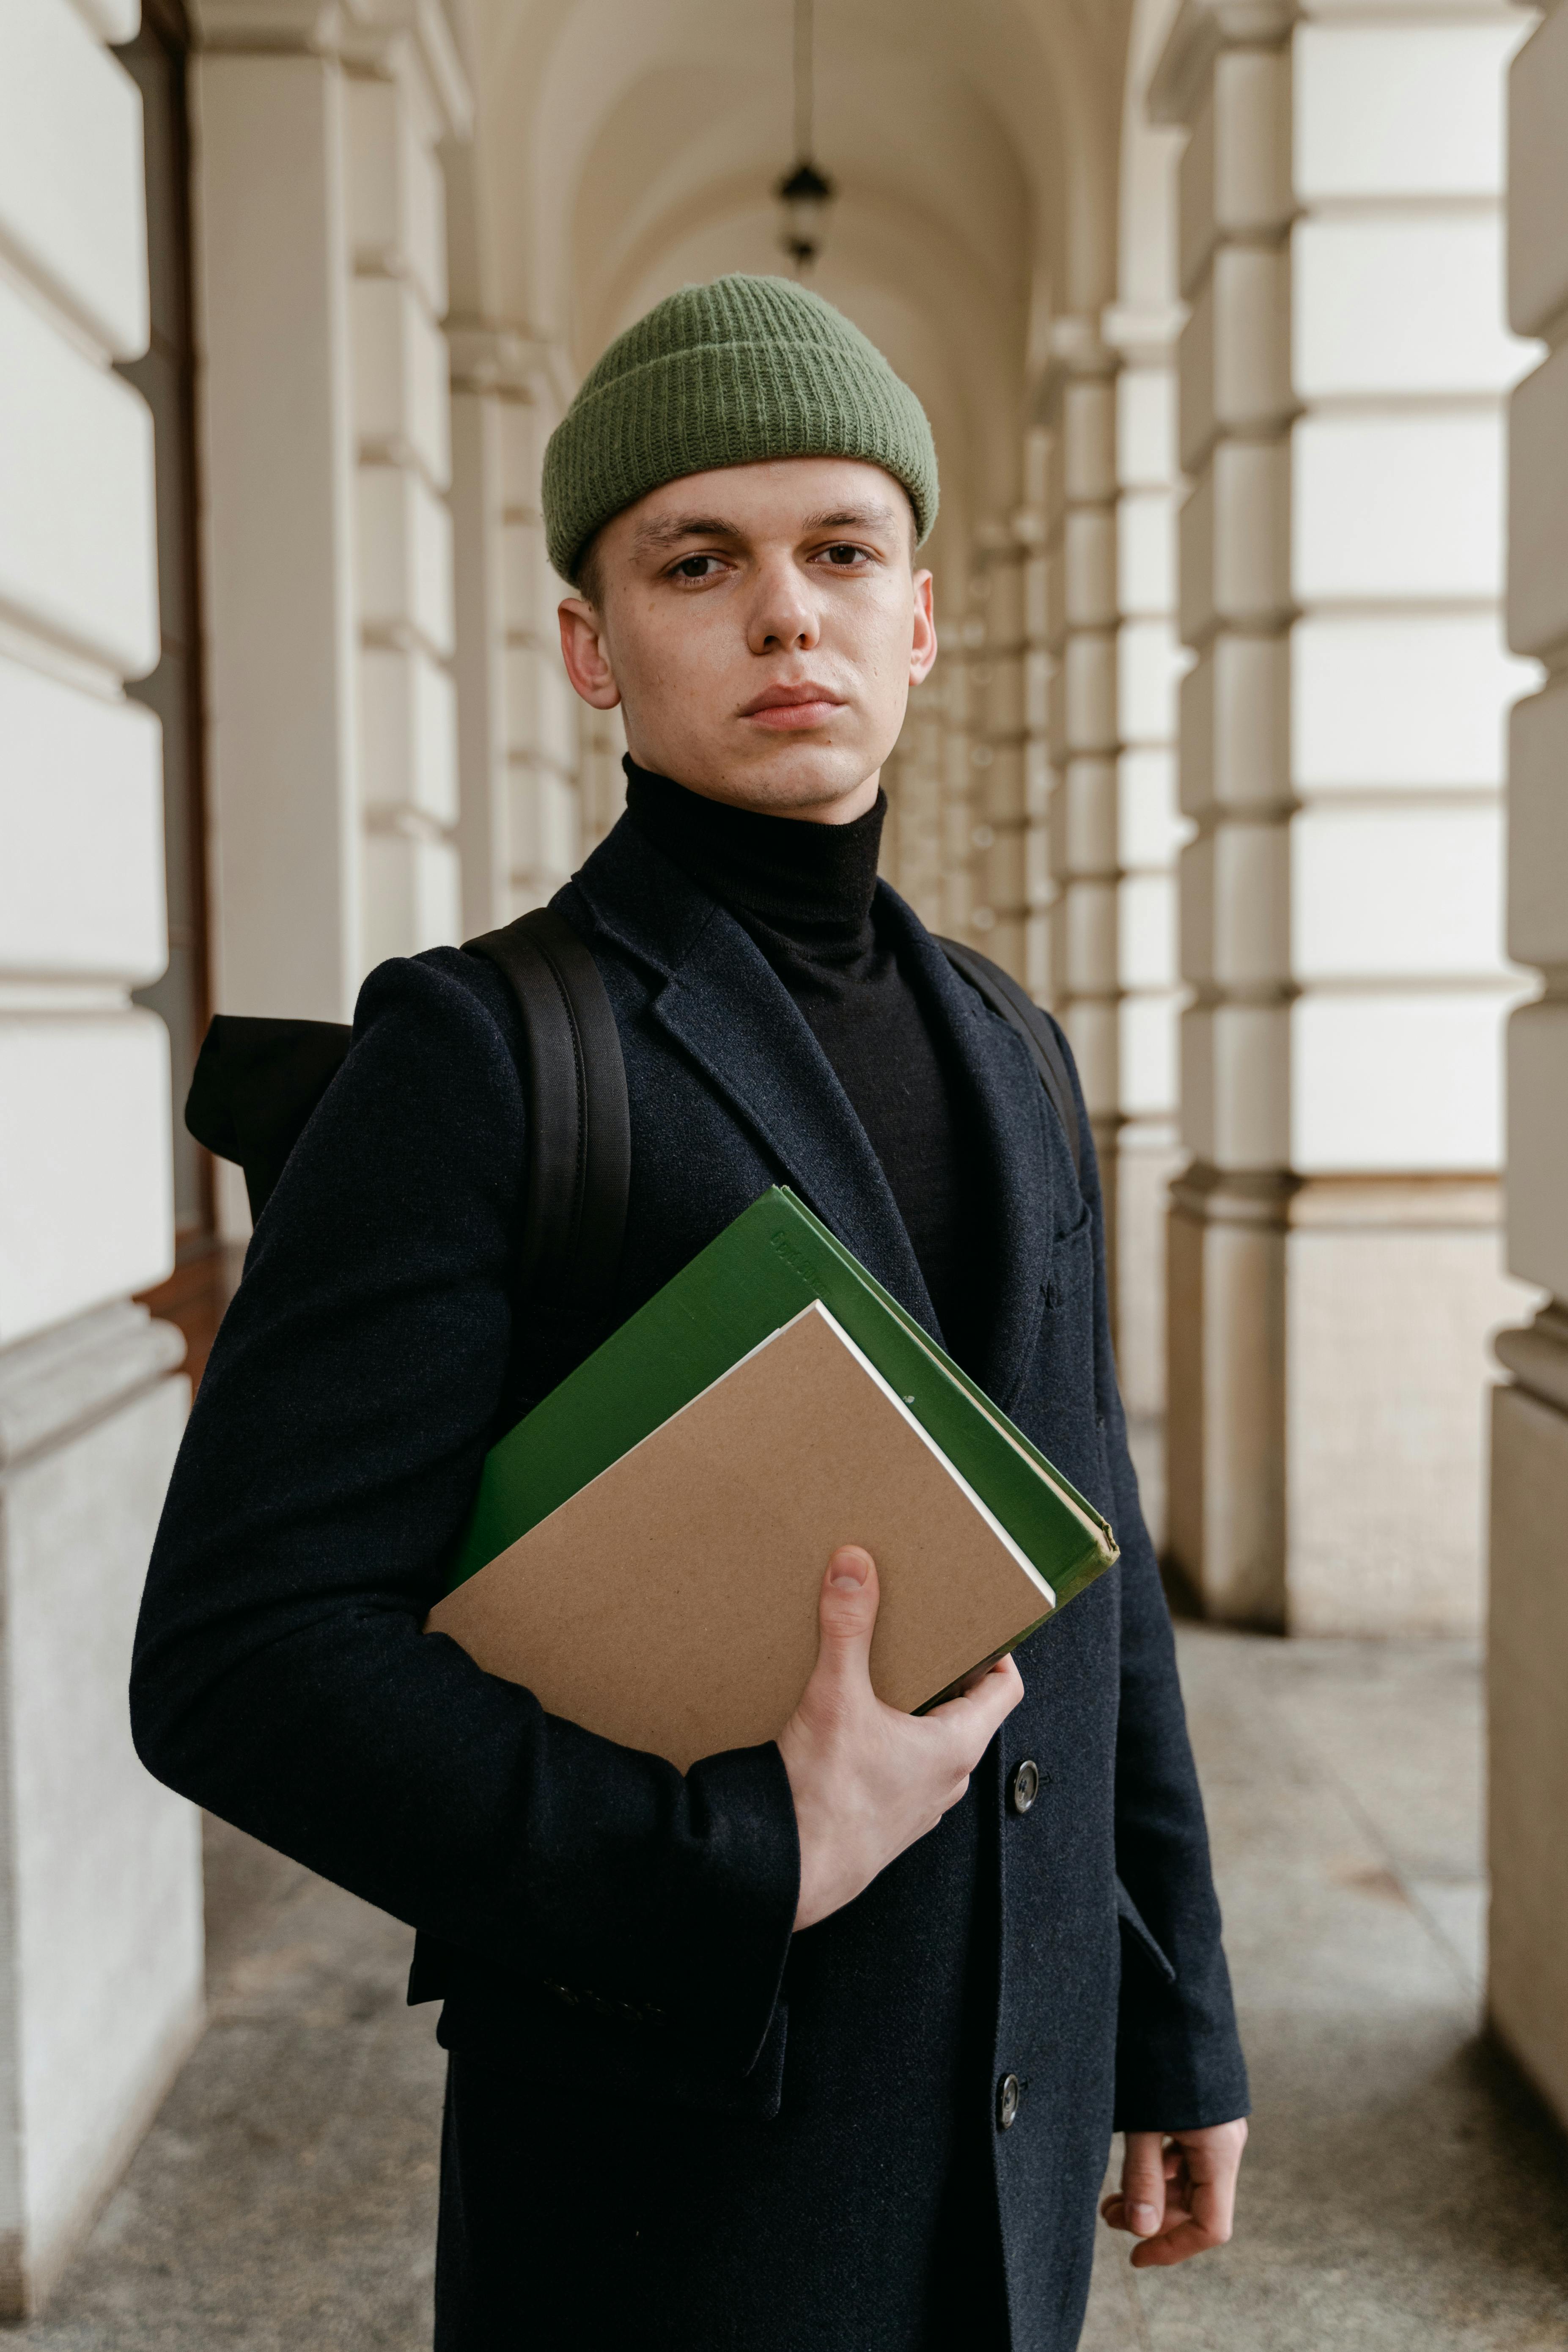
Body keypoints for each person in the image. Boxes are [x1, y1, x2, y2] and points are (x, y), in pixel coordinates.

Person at [132, 273, 1248, 2352]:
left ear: (919, 616)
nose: (784, 614)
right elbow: (237, 1662)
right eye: (697, 560)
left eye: (841, 552)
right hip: (670, 2181)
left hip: (1009, 2156)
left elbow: (1089, 1551)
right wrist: (733, 1847)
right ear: (592, 645)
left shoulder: (1013, 1044)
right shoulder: (477, 1055)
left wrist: (1172, 2001)